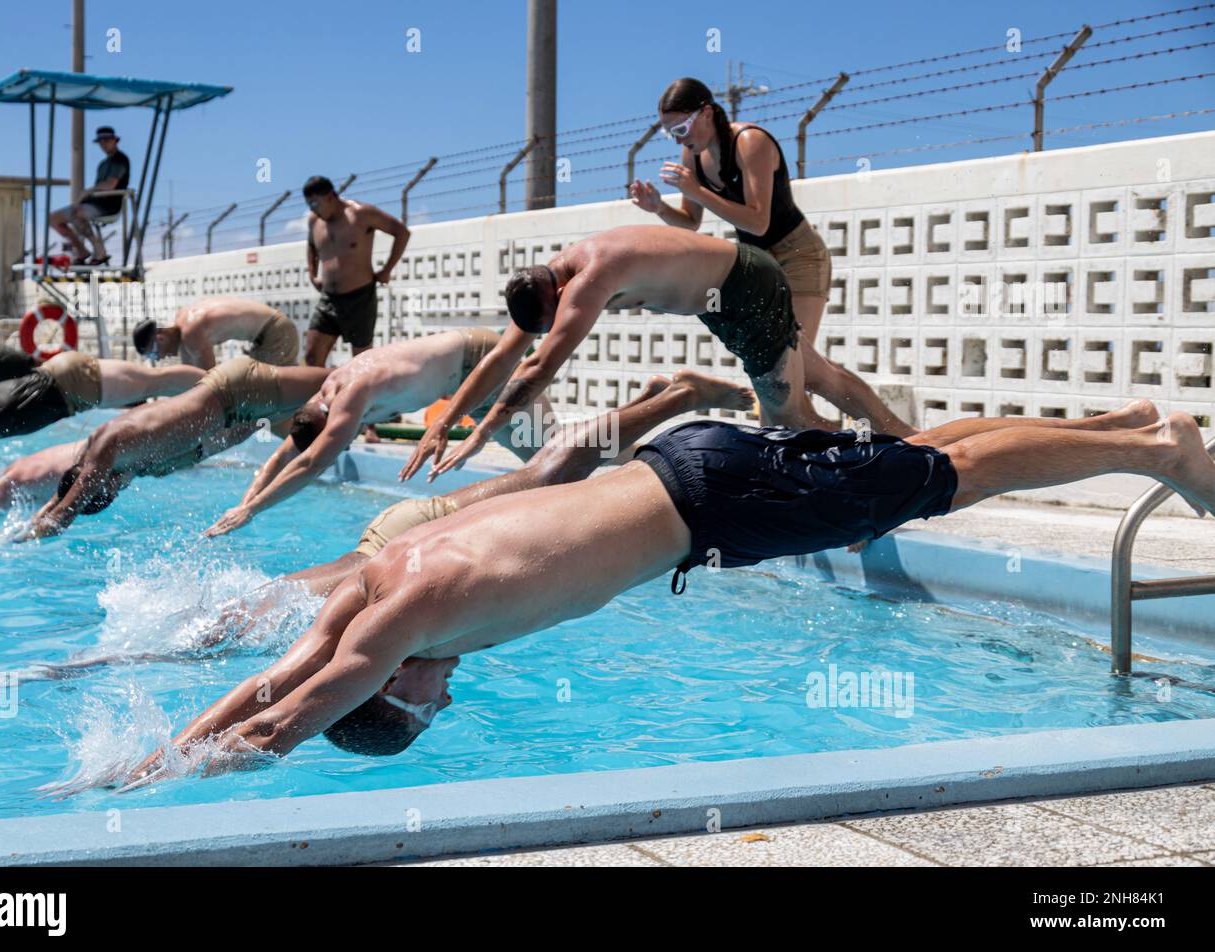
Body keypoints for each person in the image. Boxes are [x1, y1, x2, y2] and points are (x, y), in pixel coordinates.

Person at [122, 398, 1212, 779]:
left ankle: (1160, 451)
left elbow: (285, 720)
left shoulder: (400, 623)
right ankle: (1118, 428)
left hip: (716, 502)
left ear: (394, 686)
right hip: (686, 472)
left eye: (423, 704)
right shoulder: (370, 585)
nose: (448, 699)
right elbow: (277, 675)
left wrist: (149, 790)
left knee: (945, 479)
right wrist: (163, 743)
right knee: (911, 461)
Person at [23, 369, 755, 678]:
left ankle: (672, 397)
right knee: (550, 475)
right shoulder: (276, 596)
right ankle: (664, 400)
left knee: (551, 474)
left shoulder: (277, 610)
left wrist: (112, 663)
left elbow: (216, 637)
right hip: (398, 536)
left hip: (408, 542)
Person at [401, 224, 909, 483]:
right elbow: (504, 357)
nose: (553, 329)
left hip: (744, 288)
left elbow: (536, 367)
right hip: (732, 287)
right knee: (817, 374)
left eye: (553, 321)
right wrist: (446, 422)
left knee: (787, 417)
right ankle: (904, 436)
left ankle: (880, 468)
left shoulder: (588, 281)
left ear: (557, 299)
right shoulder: (549, 278)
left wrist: (481, 433)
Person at [628, 77, 910, 435]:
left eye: (682, 127)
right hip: (763, 266)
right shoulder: (693, 156)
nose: (680, 138)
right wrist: (659, 208)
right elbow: (690, 224)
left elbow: (758, 221)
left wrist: (696, 190)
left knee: (800, 364)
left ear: (708, 112)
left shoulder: (750, 142)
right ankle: (819, 434)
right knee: (782, 365)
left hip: (799, 254)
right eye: (671, 133)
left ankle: (892, 432)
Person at [203, 326, 555, 536]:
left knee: (546, 455)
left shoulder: (348, 400)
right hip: (465, 365)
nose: (341, 444)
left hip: (482, 359)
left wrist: (252, 511)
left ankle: (605, 470)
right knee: (544, 457)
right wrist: (243, 503)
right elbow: (286, 454)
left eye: (336, 441)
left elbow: (309, 464)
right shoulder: (322, 397)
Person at [17, 357, 329, 540]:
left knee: (341, 381)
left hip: (236, 391)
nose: (121, 488)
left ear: (102, 482)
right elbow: (62, 497)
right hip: (246, 414)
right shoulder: (126, 463)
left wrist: (20, 541)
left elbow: (64, 513)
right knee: (321, 422)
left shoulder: (104, 451)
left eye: (112, 489)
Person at [0, 352, 203, 472]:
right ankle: (219, 386)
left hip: (67, 384)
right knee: (156, 382)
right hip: (66, 386)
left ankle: (223, 385)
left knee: (158, 380)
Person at [302, 175, 410, 367]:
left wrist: (386, 270)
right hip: (328, 299)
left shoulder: (361, 214)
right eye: (308, 204)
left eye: (315, 203)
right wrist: (313, 275)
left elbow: (401, 232)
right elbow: (311, 246)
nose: (312, 209)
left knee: (361, 361)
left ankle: (361, 396)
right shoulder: (314, 221)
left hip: (359, 297)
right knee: (312, 355)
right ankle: (318, 397)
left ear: (330, 196)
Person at [132, 297, 300, 370]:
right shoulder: (182, 321)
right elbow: (190, 375)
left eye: (154, 354)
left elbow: (210, 383)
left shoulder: (191, 333)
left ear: (160, 338)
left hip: (276, 333)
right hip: (272, 333)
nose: (160, 358)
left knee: (266, 400)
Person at [47, 126, 130, 266]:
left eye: (107, 140)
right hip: (93, 203)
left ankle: (99, 250)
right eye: (101, 141)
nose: (104, 144)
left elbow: (110, 185)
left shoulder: (120, 160)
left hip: (108, 206)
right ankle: (82, 251)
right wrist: (83, 198)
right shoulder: (103, 164)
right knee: (53, 219)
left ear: (115, 141)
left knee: (78, 213)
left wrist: (89, 191)